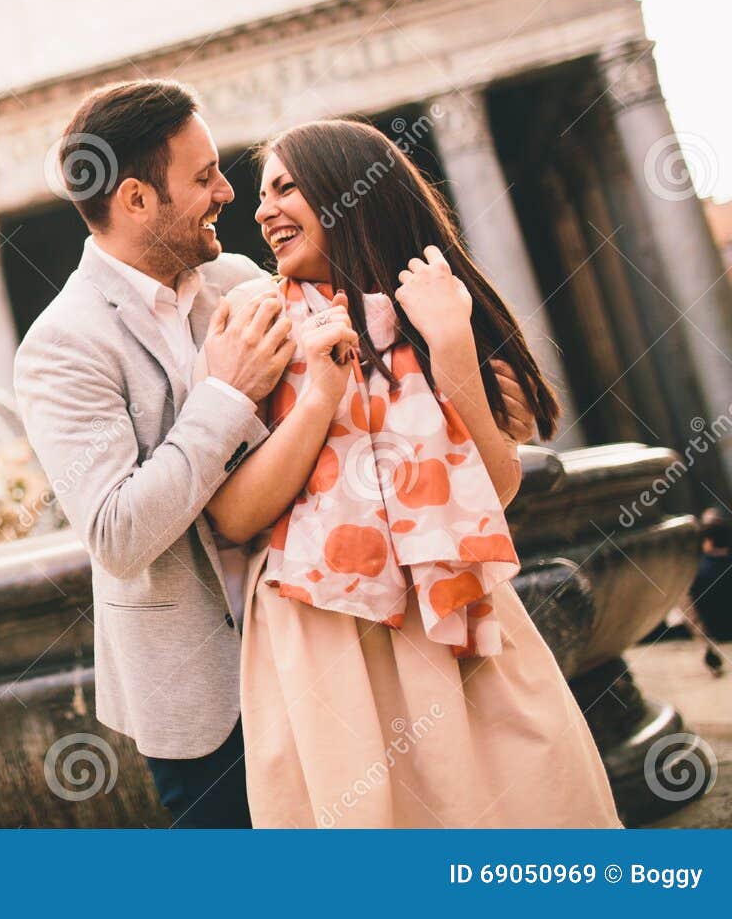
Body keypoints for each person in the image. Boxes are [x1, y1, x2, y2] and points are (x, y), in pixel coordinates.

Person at [209, 117, 620, 827]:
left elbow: (495, 488)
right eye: (261, 193)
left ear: (348, 190)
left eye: (285, 187)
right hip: (325, 631)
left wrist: (453, 341)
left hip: (451, 617)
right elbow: (235, 516)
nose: (262, 209)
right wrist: (322, 396)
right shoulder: (256, 323)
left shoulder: (436, 309)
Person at [14, 79, 293, 827]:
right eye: (202, 177)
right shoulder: (60, 345)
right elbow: (117, 533)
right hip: (201, 704)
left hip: (311, 644)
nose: (227, 192)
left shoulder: (240, 281)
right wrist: (226, 397)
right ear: (137, 199)